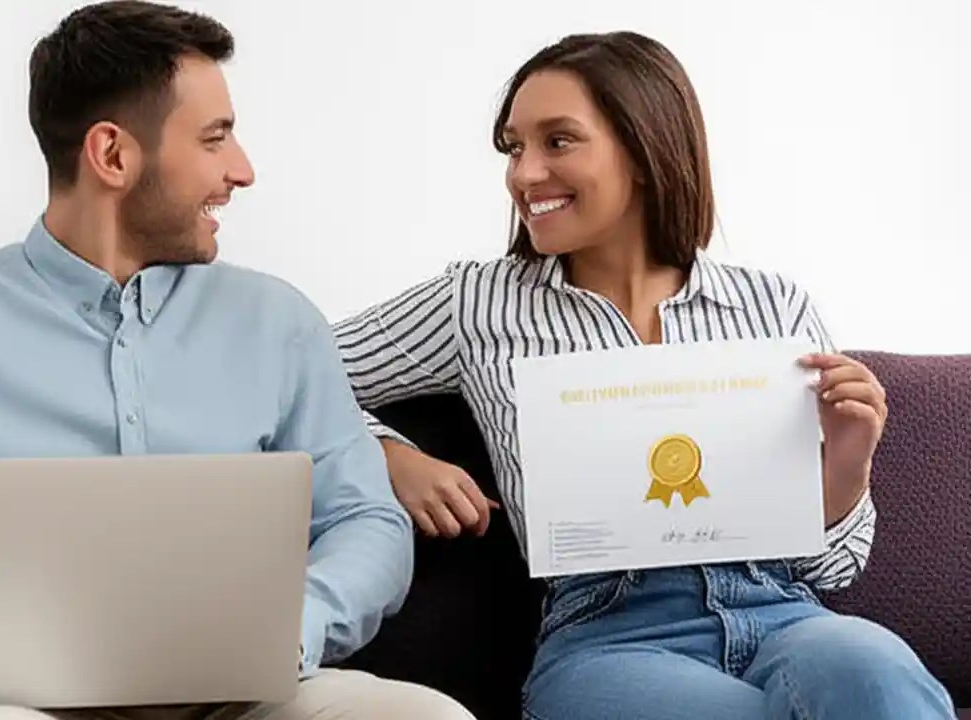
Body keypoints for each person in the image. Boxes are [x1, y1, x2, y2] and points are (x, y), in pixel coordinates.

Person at [0, 3, 474, 719]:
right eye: (214, 139)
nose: (240, 170)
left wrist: (299, 623)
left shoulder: (278, 324)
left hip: (242, 698)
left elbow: (365, 519)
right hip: (14, 701)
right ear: (112, 153)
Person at [333, 31, 956, 720]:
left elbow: (834, 568)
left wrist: (847, 460)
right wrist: (389, 455)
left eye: (558, 141)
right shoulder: (476, 302)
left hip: (782, 612)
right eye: (514, 147)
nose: (523, 173)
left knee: (877, 673)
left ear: (643, 147)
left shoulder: (773, 305)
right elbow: (284, 378)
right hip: (609, 631)